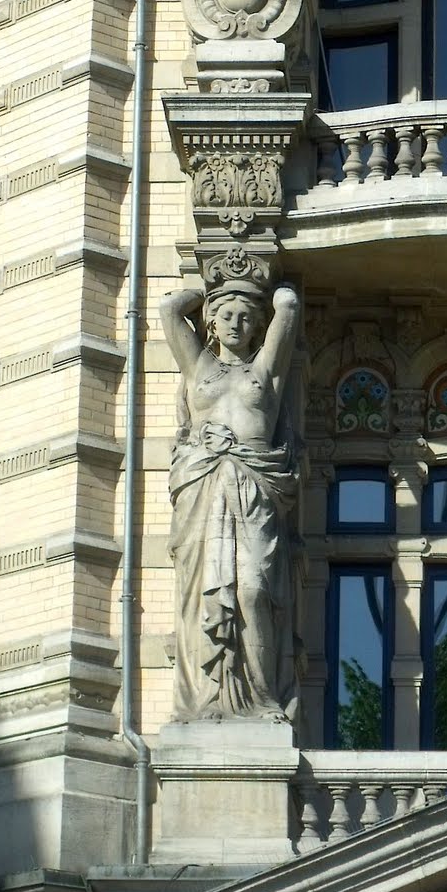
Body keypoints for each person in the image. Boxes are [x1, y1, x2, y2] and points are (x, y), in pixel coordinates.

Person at [159, 252, 300, 721]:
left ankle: (261, 698)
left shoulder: (264, 373)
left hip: (255, 482)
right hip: (204, 483)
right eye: (226, 316)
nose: (237, 322)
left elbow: (289, 310)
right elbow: (168, 311)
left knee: (254, 591)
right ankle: (213, 697)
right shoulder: (198, 366)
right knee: (205, 593)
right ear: (212, 324)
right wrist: (213, 287)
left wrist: (273, 297)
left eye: (245, 316)